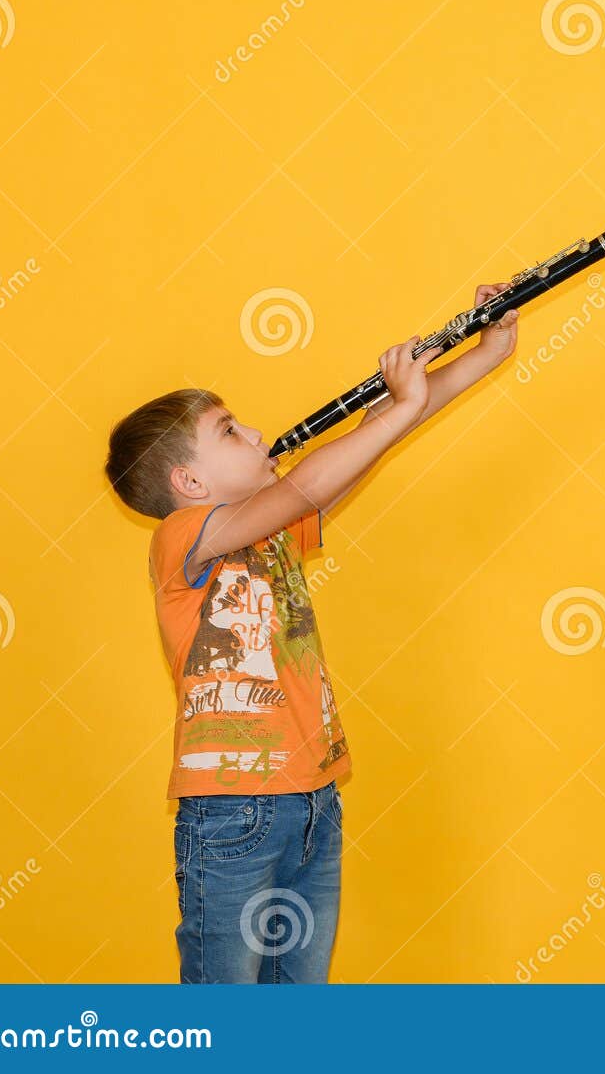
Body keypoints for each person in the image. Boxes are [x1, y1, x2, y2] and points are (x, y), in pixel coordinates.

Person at [104, 285, 517, 982]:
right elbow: (306, 486)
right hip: (230, 813)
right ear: (189, 481)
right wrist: (395, 409)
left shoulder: (271, 530)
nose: (256, 434)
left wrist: (486, 353)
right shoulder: (181, 537)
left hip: (314, 802)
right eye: (230, 431)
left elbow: (369, 446)